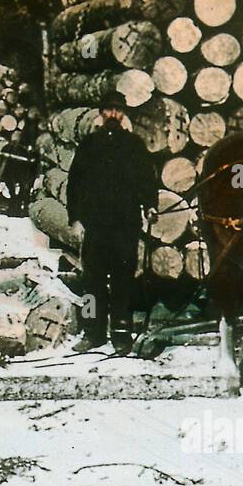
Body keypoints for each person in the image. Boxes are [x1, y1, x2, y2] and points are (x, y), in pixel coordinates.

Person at [65, 90, 157, 354]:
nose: (113, 114)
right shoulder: (89, 145)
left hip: (125, 224)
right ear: (101, 113)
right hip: (95, 224)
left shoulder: (134, 145)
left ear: (123, 113)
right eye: (109, 110)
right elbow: (75, 185)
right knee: (92, 281)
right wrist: (76, 219)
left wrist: (150, 206)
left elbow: (147, 181)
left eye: (118, 110)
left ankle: (121, 335)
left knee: (122, 281)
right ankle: (92, 332)